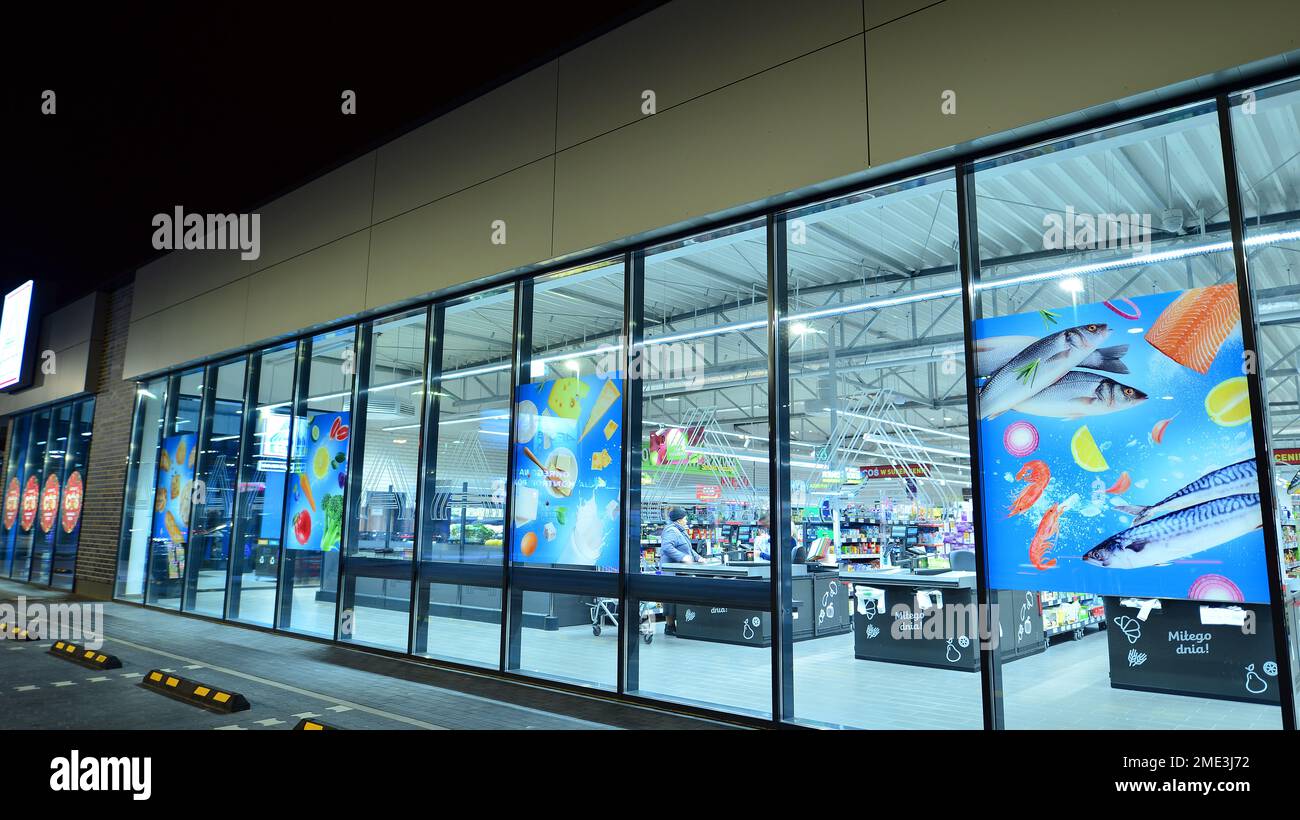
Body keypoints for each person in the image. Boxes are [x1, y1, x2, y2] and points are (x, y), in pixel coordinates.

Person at [659, 507, 703, 636]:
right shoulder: (672, 531)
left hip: (679, 571)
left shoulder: (680, 531)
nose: (686, 520)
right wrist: (682, 557)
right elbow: (667, 547)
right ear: (679, 519)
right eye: (685, 518)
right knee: (670, 600)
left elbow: (687, 548)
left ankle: (680, 625)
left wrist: (697, 557)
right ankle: (670, 626)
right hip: (671, 572)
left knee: (676, 598)